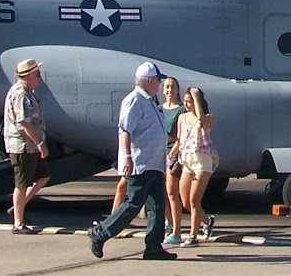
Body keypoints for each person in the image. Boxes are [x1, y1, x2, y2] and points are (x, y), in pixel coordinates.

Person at [89, 61, 175, 261]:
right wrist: (127, 157)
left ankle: (153, 246)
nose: (160, 85)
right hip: (141, 162)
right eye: (158, 81)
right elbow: (125, 130)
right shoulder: (135, 100)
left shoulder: (150, 101)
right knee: (133, 203)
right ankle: (100, 233)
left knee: (157, 206)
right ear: (150, 80)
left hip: (154, 164)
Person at [4, 58, 51, 234]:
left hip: (29, 145)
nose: (39, 78)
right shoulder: (21, 93)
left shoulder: (27, 92)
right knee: (21, 183)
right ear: (30, 75)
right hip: (23, 146)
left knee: (43, 176)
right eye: (37, 74)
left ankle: (18, 208)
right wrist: (40, 143)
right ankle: (18, 223)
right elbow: (24, 122)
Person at [175, 85, 218, 246]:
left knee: (194, 200)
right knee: (185, 201)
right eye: (185, 101)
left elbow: (202, 121)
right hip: (187, 160)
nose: (187, 105)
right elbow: (180, 139)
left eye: (190, 101)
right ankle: (207, 221)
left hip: (202, 160)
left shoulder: (207, 116)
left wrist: (197, 99)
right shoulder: (182, 118)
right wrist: (174, 155)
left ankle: (193, 236)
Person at [159, 76, 187, 244]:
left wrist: (173, 151)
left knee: (171, 192)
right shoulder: (158, 109)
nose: (170, 90)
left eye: (173, 87)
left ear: (177, 90)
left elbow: (181, 136)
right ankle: (167, 222)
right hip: (158, 152)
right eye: (167, 87)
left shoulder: (181, 111)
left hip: (173, 153)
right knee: (160, 192)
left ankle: (177, 231)